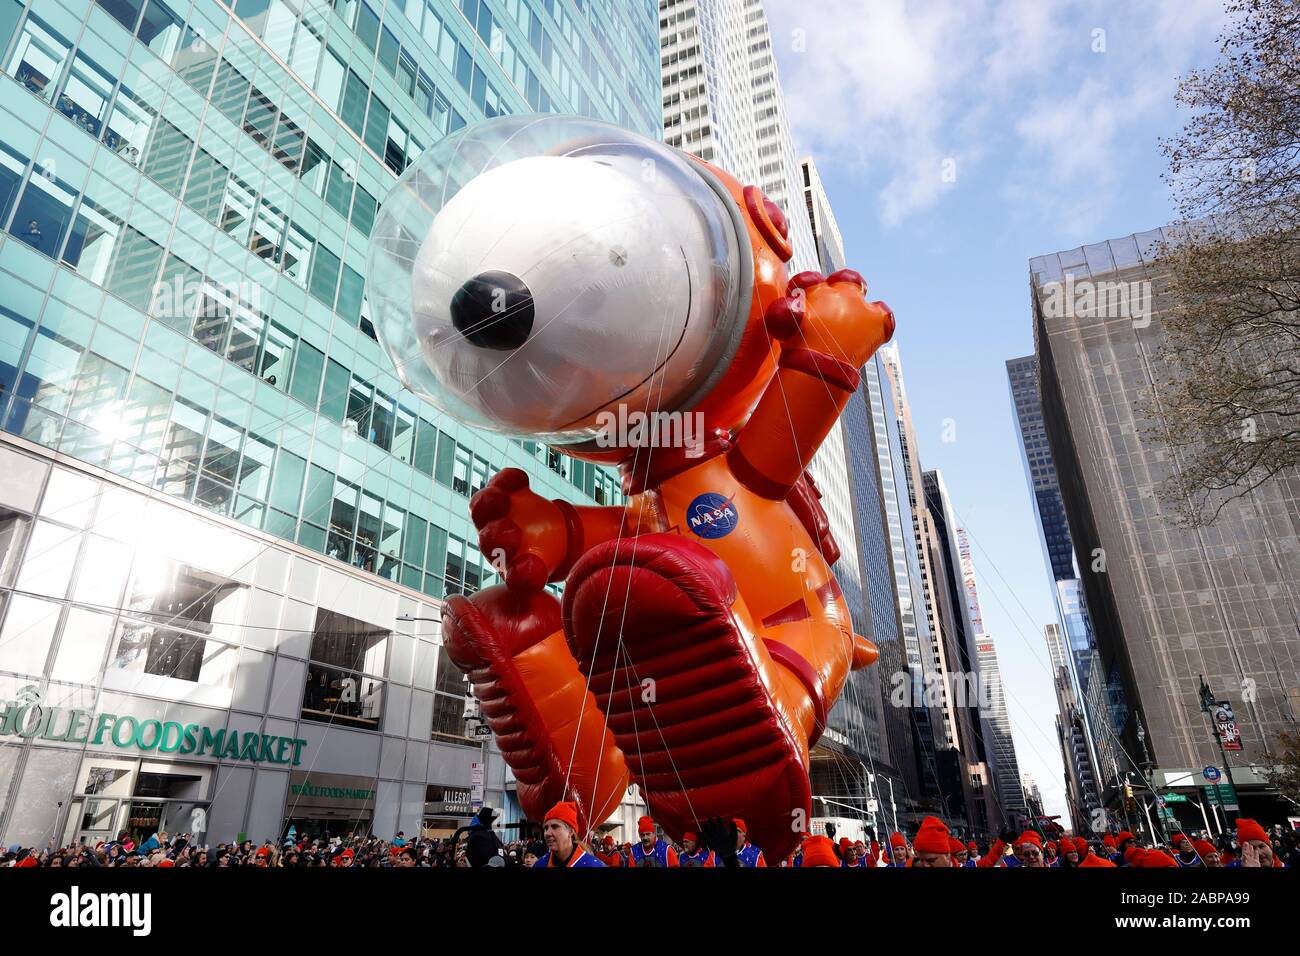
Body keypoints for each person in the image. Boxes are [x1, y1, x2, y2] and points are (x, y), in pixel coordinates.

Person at [534, 802, 604, 867]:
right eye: (546, 828)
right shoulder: (540, 864)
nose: (547, 833)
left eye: (555, 827)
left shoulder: (592, 865)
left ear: (570, 832)